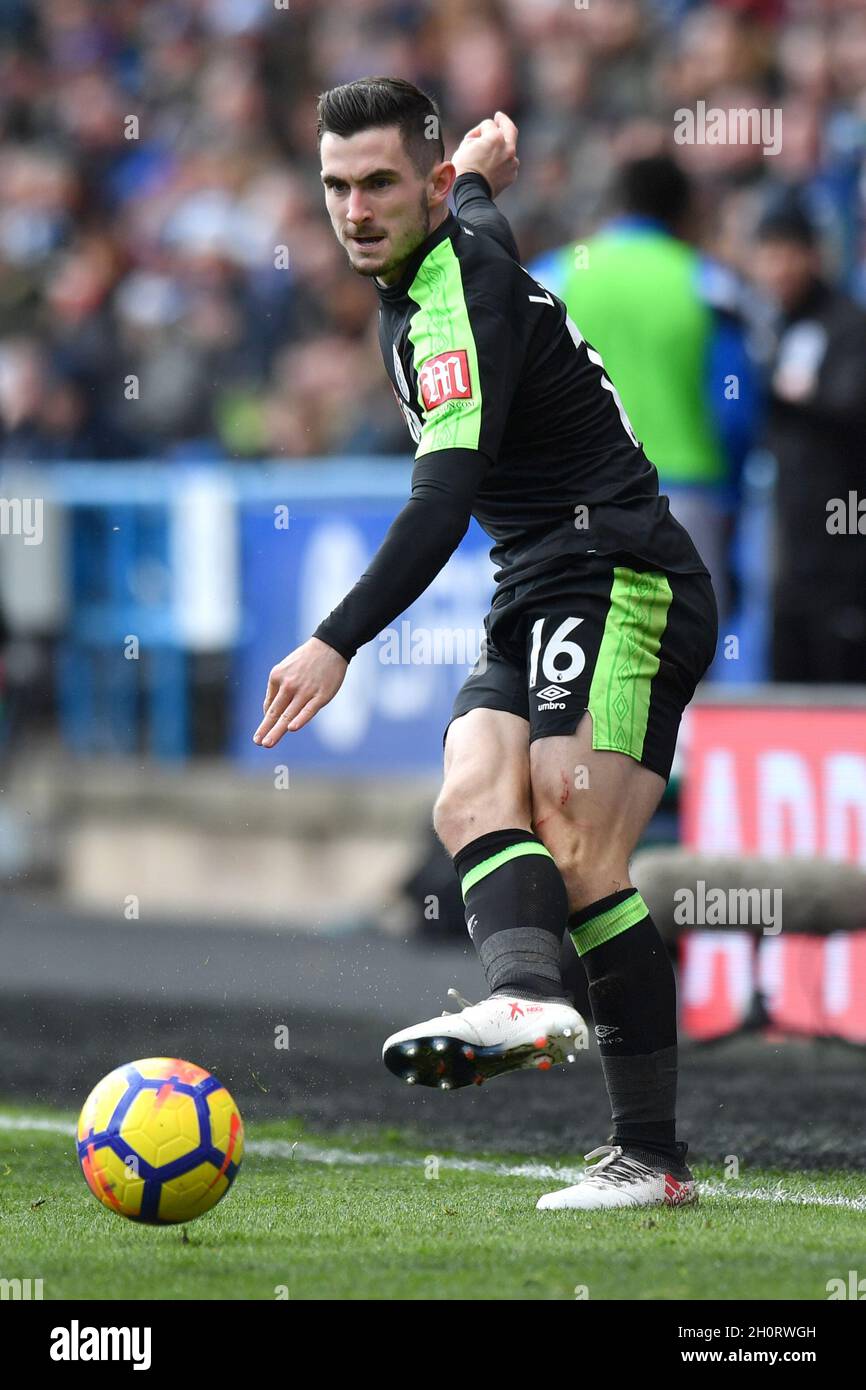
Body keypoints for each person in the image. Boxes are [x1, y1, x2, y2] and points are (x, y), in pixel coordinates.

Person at [253, 78, 718, 1211]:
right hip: (538, 583)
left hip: (621, 574)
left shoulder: (450, 295)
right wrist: (474, 164)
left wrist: (336, 639)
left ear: (419, 188)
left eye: (376, 185)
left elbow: (442, 500)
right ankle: (524, 995)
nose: (354, 210)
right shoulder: (447, 236)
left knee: (570, 829)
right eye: (334, 186)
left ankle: (648, 1157)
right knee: (469, 797)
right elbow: (484, 210)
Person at [530, 155, 759, 628]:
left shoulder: (554, 276)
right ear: (682, 213)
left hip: (575, 503)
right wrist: (731, 503)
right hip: (684, 500)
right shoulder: (706, 283)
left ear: (616, 205)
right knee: (684, 674)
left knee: (579, 666)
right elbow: (736, 412)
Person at [751, 198, 866, 682]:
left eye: (786, 253)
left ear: (811, 255)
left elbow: (849, 404)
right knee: (787, 678)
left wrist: (798, 396)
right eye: (766, 254)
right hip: (792, 556)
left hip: (843, 553)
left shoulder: (846, 324)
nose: (775, 268)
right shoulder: (773, 326)